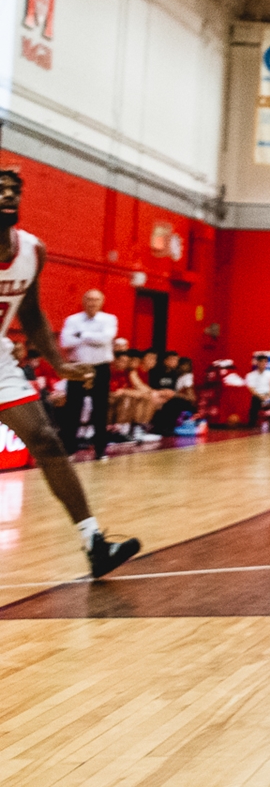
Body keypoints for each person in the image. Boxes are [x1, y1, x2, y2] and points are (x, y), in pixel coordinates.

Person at [0, 169, 141, 577]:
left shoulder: (32, 250)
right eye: (0, 188)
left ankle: (94, 543)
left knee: (46, 439)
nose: (9, 194)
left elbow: (31, 313)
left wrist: (59, 363)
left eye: (15, 189)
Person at [57, 289, 119, 451]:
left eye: (96, 300)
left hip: (100, 367)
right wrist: (93, 337)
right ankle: (69, 447)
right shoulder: (72, 320)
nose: (92, 303)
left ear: (102, 302)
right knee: (73, 408)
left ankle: (100, 449)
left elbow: (106, 338)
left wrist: (81, 334)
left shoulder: (109, 319)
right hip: (77, 368)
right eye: (89, 299)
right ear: (83, 301)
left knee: (100, 408)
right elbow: (66, 342)